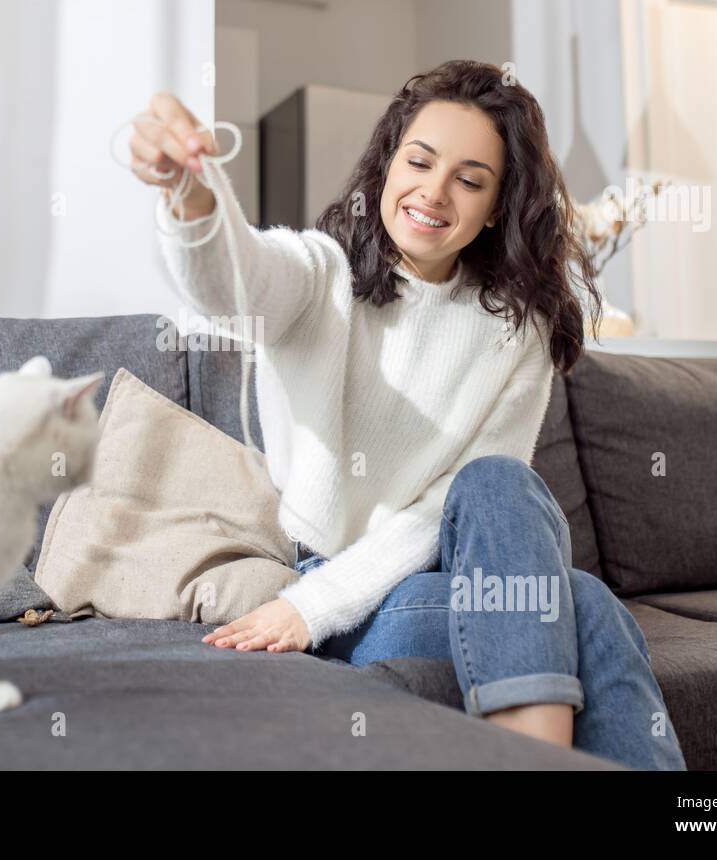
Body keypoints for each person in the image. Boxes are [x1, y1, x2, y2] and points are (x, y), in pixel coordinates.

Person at [125, 60, 685, 771]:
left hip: (446, 573)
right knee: (583, 603)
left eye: (471, 179)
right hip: (344, 590)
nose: (435, 191)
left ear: (496, 206)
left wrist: (312, 607)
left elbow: (442, 513)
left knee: (497, 485)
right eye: (419, 161)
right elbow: (234, 278)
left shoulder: (519, 331)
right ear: (387, 165)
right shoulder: (320, 277)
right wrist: (190, 193)